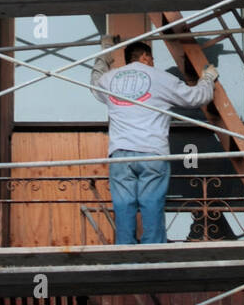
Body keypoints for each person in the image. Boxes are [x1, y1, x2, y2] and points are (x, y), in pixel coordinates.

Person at [91, 37, 219, 244]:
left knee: (123, 203)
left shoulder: (110, 79)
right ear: (145, 57)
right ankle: (153, 247)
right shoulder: (161, 78)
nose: (153, 62)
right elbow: (195, 98)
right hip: (151, 151)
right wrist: (207, 79)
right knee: (151, 201)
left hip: (120, 153)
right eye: (151, 58)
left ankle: (125, 247)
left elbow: (95, 81)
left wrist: (105, 53)